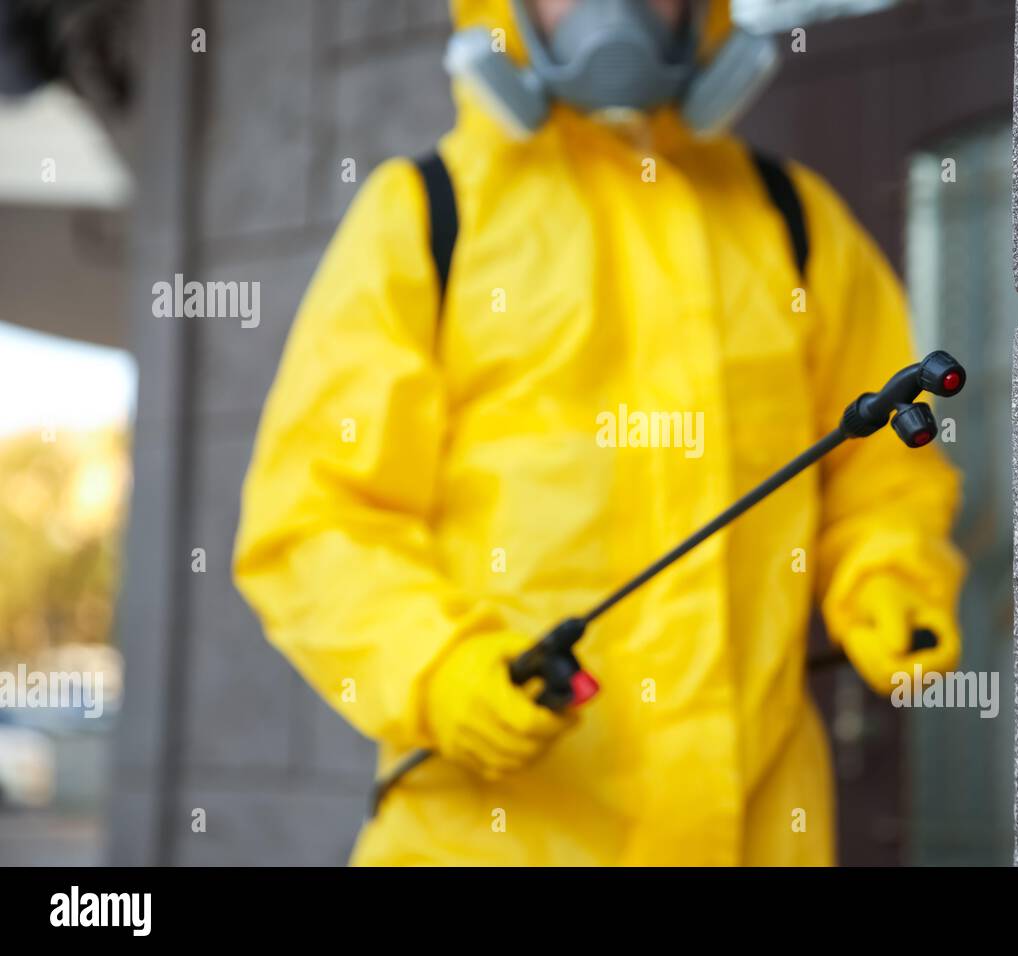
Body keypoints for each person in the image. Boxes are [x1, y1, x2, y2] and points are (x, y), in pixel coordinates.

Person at [233, 0, 965, 866]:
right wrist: (437, 669)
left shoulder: (794, 222)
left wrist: (886, 576)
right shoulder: (426, 217)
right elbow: (315, 517)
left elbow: (880, 471)